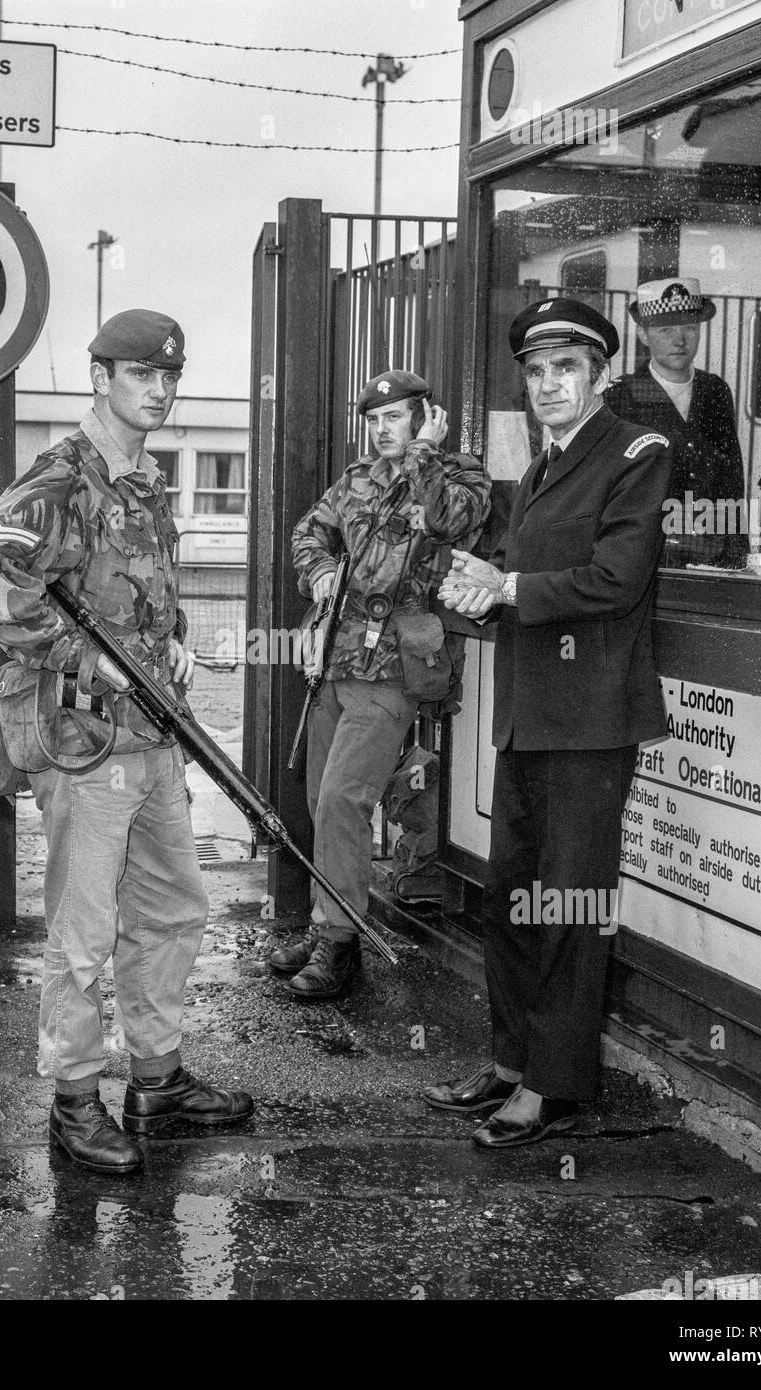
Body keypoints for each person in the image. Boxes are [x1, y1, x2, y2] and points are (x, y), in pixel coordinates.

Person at [0, 309, 253, 1175]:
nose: (159, 390)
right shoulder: (62, 480)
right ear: (100, 378)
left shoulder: (143, 479)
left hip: (154, 734)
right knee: (82, 933)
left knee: (171, 906)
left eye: (169, 376)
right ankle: (75, 1100)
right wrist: (84, 656)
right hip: (87, 741)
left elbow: (144, 590)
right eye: (140, 375)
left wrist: (175, 644)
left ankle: (157, 1082)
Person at [425, 298, 671, 1147]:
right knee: (512, 899)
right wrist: (482, 590)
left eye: (565, 368)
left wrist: (511, 591)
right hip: (531, 718)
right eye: (534, 372)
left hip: (593, 723)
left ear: (598, 374)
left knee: (567, 903)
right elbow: (528, 582)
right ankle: (510, 1061)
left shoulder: (636, 454)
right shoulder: (539, 469)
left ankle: (555, 1085)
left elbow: (615, 578)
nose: (548, 385)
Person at [276, 370, 491, 999]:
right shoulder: (356, 480)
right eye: (376, 419)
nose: (383, 429)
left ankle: (340, 945)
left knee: (346, 798)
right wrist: (318, 571)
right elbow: (308, 532)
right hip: (337, 661)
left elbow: (452, 522)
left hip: (394, 665)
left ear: (426, 417)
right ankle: (326, 926)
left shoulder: (456, 476)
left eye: (396, 417)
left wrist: (424, 454)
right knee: (321, 801)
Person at [604, 277, 748, 568]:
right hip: (647, 555)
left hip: (711, 551)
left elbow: (731, 479)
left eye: (689, 327)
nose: (680, 339)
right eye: (665, 329)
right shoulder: (620, 395)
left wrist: (737, 552)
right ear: (643, 334)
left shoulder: (715, 391)